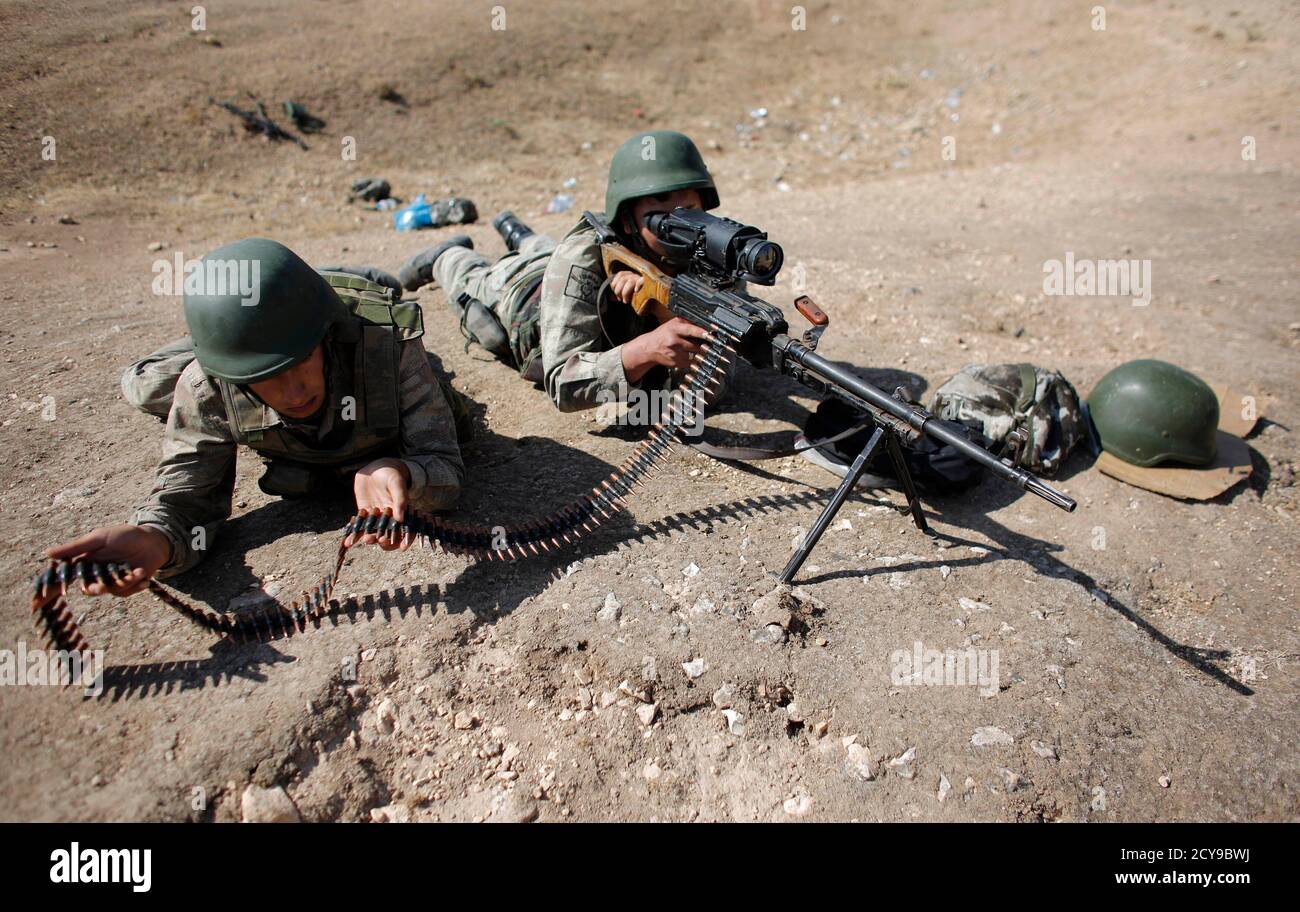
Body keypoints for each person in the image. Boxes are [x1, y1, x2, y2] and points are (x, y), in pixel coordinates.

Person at [49, 237, 465, 596]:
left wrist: (402, 472)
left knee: (458, 412)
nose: (293, 392)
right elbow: (186, 500)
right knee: (144, 385)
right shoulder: (208, 385)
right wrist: (156, 539)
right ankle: (241, 324)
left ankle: (350, 282)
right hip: (233, 346)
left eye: (301, 361)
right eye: (266, 376)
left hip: (338, 315)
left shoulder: (389, 347)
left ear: (326, 334)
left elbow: (443, 465)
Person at [398, 129, 726, 412]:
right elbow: (562, 384)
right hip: (529, 297)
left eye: (690, 210)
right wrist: (645, 350)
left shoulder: (716, 250)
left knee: (543, 249)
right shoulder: (580, 255)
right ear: (626, 219)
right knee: (495, 285)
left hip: (560, 264)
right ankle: (446, 255)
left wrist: (667, 313)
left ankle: (519, 234)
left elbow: (714, 379)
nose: (680, 226)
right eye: (659, 215)